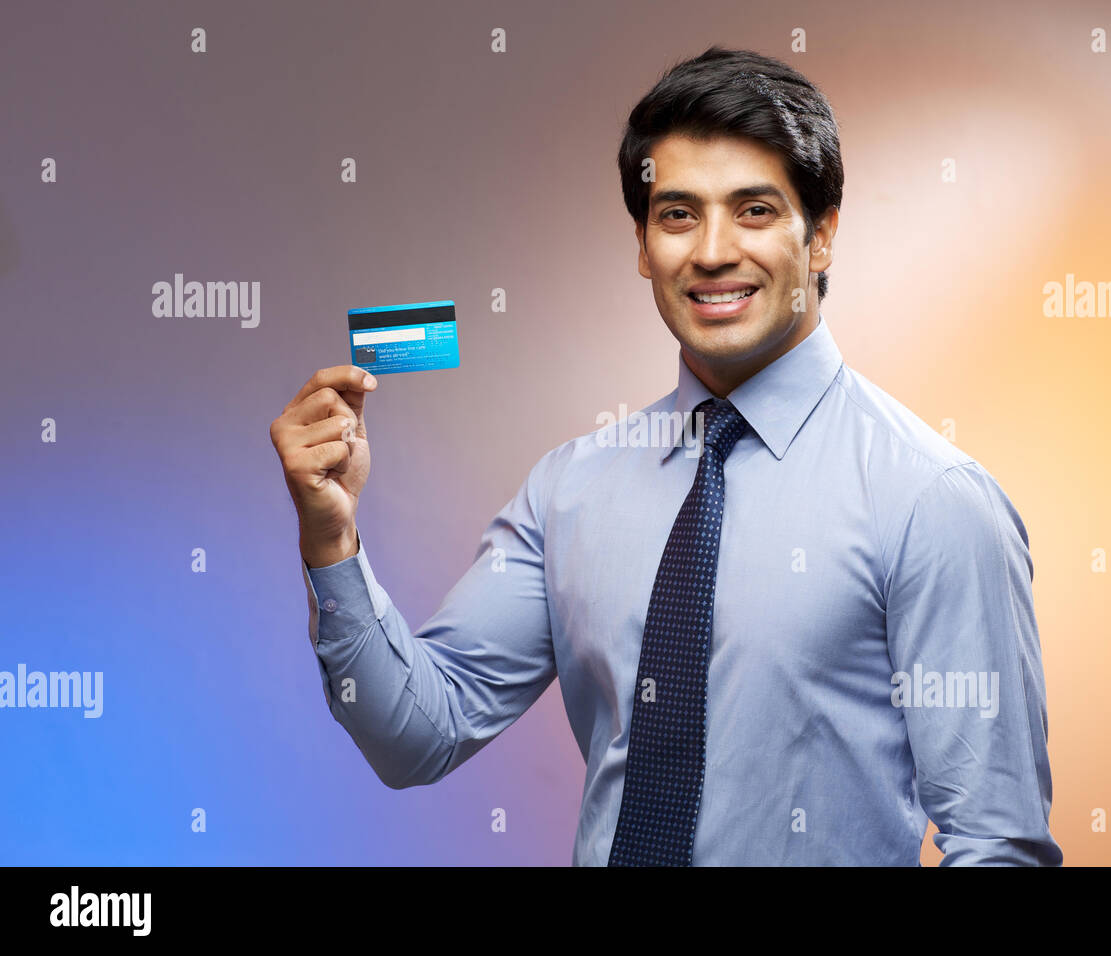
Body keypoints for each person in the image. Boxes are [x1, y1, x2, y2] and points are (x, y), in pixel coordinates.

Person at [269, 46, 1063, 866]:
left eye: (754, 210)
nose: (712, 252)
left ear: (821, 236)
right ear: (645, 246)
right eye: (678, 214)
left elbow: (996, 843)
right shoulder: (569, 491)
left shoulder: (931, 498)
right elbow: (416, 736)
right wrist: (331, 539)